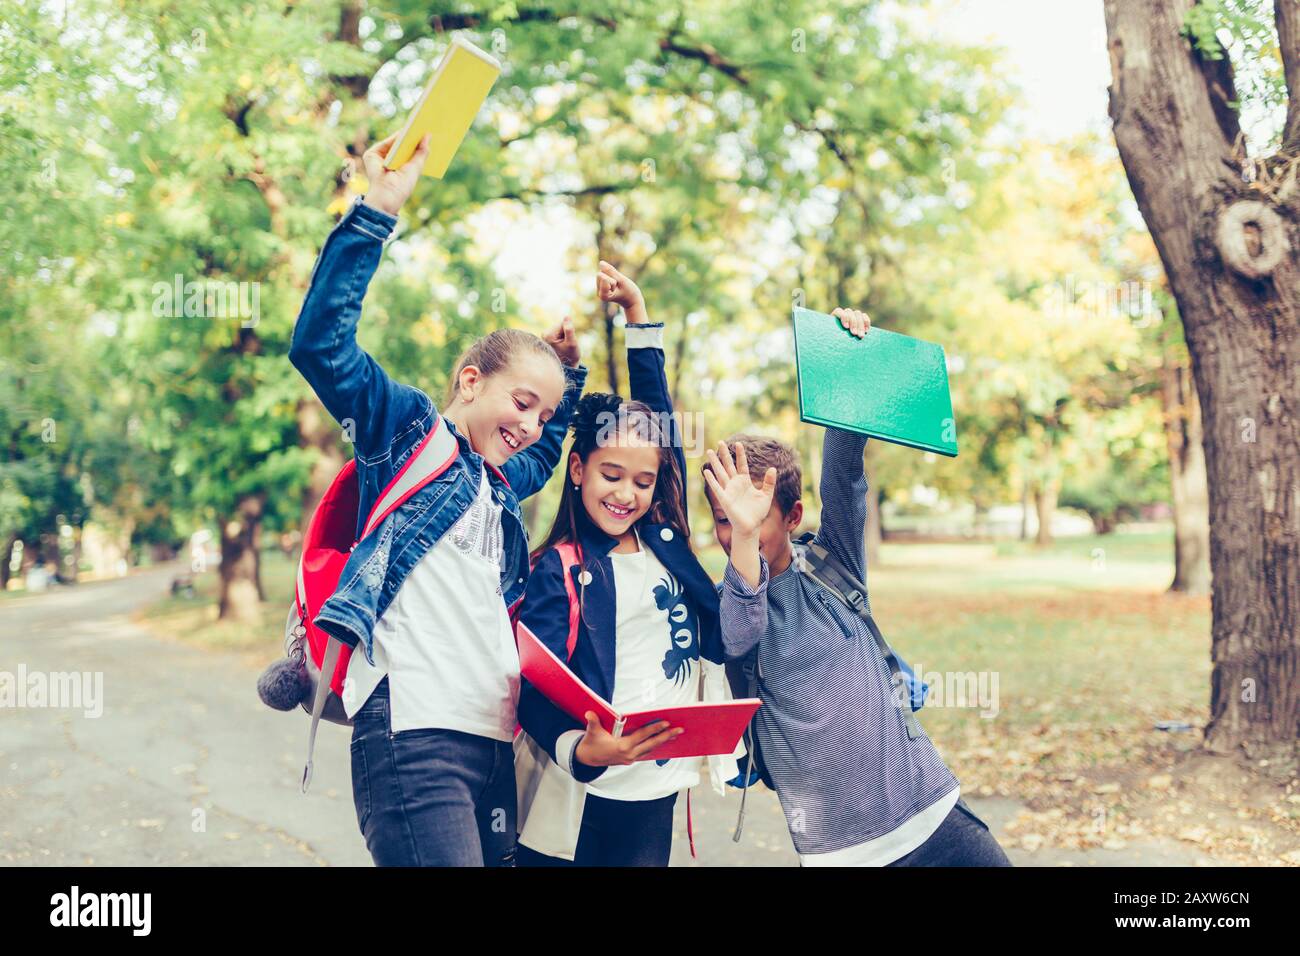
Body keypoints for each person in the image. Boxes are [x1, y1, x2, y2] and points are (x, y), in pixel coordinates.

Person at [288, 132, 587, 866]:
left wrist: (566, 385)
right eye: (521, 401)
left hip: (492, 737)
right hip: (413, 734)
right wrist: (376, 213)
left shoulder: (494, 486)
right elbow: (322, 346)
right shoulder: (410, 437)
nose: (529, 426)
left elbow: (544, 457)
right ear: (470, 379)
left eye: (541, 413)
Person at [703, 306, 1011, 867]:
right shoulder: (731, 600)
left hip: (931, 812)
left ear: (793, 515)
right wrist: (745, 536)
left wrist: (850, 357)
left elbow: (844, 470)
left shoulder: (831, 563)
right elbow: (741, 634)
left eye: (752, 513)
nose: (736, 528)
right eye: (725, 516)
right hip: (840, 853)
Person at [513, 261, 740, 866]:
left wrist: (637, 319)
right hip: (579, 796)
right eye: (611, 475)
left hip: (655, 788)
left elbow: (660, 421)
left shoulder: (666, 536)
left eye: (642, 480)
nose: (627, 494)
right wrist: (581, 751)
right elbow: (530, 688)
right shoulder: (557, 568)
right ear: (580, 470)